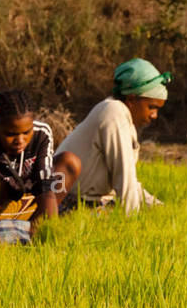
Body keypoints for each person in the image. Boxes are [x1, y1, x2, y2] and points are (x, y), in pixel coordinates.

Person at [54, 58, 169, 215]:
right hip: (69, 204)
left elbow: (130, 182)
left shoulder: (125, 120)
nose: (154, 115)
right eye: (151, 107)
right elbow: (124, 180)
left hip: (91, 201)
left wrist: (160, 208)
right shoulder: (113, 113)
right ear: (131, 99)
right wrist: (133, 223)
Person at [0, 89, 79, 242]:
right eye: (10, 134)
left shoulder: (41, 133)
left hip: (27, 202)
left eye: (26, 132)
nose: (20, 140)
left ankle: (35, 226)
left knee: (69, 162)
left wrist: (47, 231)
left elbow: (46, 188)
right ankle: (2, 232)